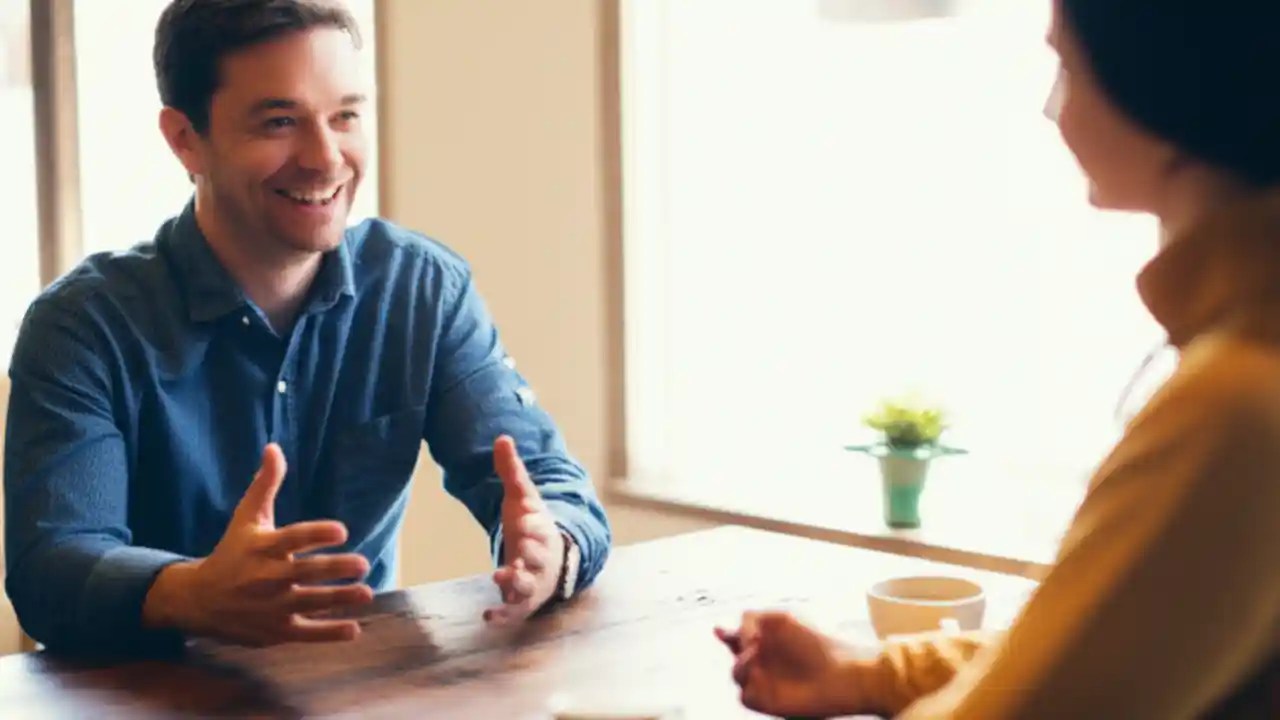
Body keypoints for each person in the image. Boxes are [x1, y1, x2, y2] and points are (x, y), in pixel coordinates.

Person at [717, 1, 1280, 717]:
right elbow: (1092, 645)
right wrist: (867, 673)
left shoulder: (1232, 403)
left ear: (1165, 84)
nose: (1052, 109)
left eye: (1068, 70)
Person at [4, 0, 610, 653]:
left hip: (354, 692)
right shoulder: (83, 326)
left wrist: (553, 547)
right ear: (185, 139)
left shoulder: (422, 290)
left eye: (345, 116)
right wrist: (192, 593)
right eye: (279, 122)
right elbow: (51, 570)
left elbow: (549, 485)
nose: (325, 159)